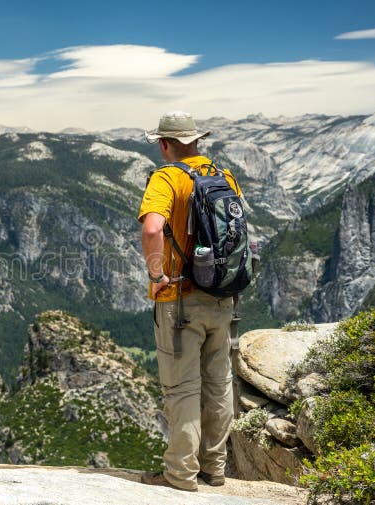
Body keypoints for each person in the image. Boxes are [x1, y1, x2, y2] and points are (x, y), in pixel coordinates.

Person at [137, 111, 243, 492]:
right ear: (197, 140)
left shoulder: (167, 177)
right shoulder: (223, 175)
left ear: (165, 144)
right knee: (219, 384)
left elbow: (152, 228)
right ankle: (214, 470)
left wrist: (155, 274)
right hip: (223, 297)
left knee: (182, 389)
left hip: (179, 299)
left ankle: (180, 476)